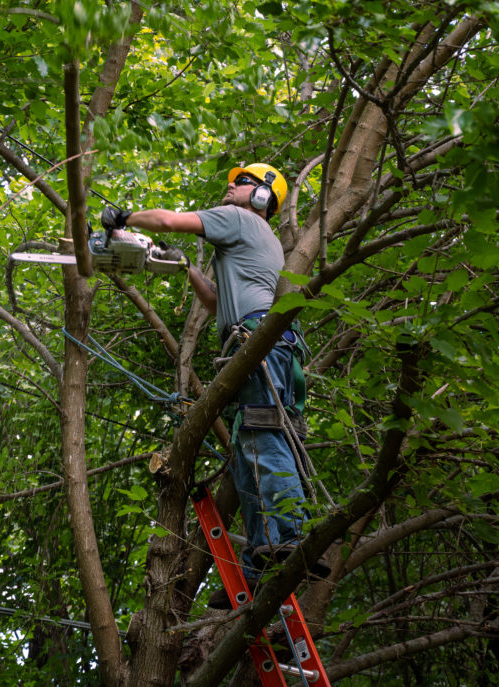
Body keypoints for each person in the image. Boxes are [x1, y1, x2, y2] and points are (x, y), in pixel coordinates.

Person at [101, 163, 328, 608]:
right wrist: (186, 267)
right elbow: (214, 300)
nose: (231, 184)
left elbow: (168, 220)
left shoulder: (241, 220)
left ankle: (287, 538)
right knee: (250, 448)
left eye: (242, 182)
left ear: (262, 197)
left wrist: (125, 219)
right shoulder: (253, 246)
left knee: (263, 435)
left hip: (260, 340)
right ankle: (262, 560)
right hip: (268, 342)